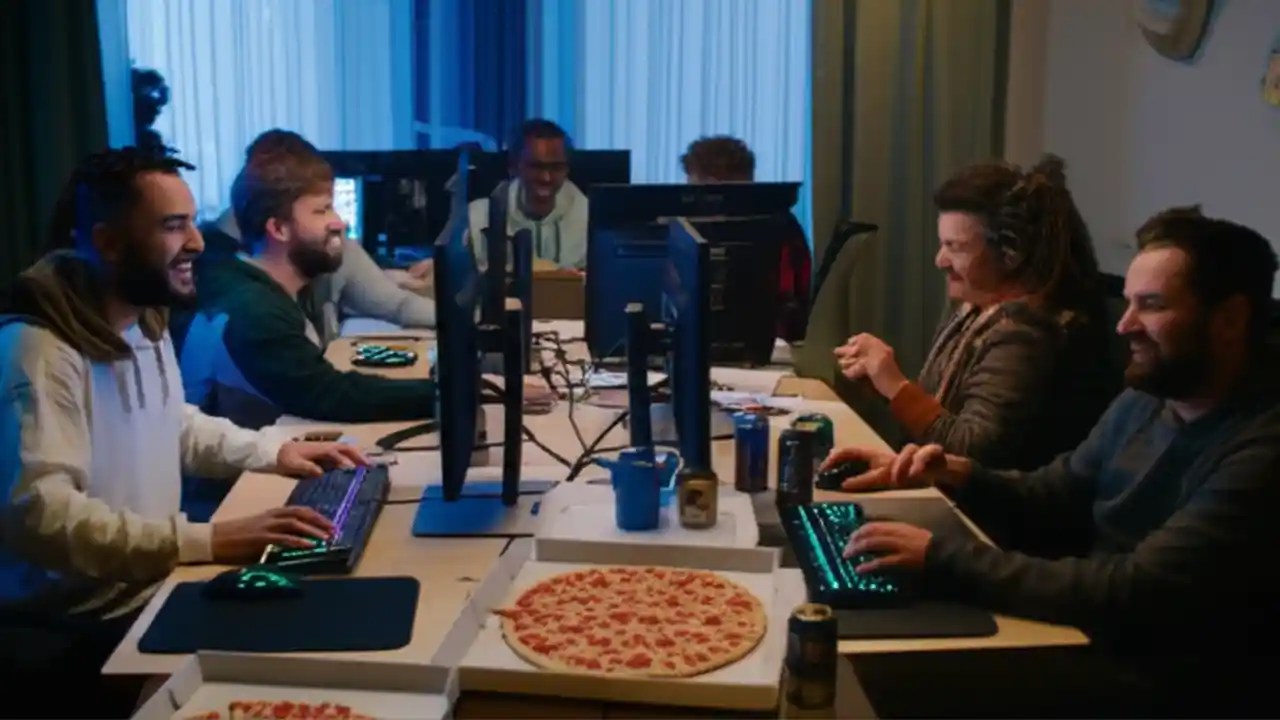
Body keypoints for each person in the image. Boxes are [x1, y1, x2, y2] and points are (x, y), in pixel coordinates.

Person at [824, 208, 1280, 716]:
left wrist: (943, 557)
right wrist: (954, 472)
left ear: (1231, 321)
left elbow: (1135, 589)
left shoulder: (1262, 444)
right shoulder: (1151, 395)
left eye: (1151, 306)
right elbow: (1057, 491)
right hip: (1094, 630)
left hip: (1164, 679)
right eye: (1128, 303)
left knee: (865, 676)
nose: (1125, 325)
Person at [0, 148, 361, 715]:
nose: (197, 241)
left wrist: (274, 451)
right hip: (80, 633)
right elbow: (41, 516)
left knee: (330, 627)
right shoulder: (40, 351)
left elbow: (173, 425)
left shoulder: (139, 320)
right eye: (174, 226)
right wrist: (205, 541)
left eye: (193, 221)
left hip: (151, 589)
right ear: (110, 242)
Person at [833, 155, 1114, 470]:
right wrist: (881, 384)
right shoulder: (976, 310)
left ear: (1011, 253)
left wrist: (895, 386)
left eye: (956, 247)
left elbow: (969, 453)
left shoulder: (1026, 334)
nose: (940, 260)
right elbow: (941, 420)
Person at [179, 138, 436, 429]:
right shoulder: (254, 309)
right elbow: (329, 395)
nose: (339, 223)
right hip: (239, 475)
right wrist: (444, 394)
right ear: (278, 228)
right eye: (321, 210)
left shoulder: (256, 288)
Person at [194, 129, 435, 347]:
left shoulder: (321, 245)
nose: (339, 223)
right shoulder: (241, 295)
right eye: (321, 209)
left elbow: (392, 302)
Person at [410, 118, 588, 275]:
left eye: (556, 167)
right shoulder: (476, 217)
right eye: (536, 167)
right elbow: (443, 270)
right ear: (513, 167)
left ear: (567, 169)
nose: (546, 177)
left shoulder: (592, 220)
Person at [680, 135, 813, 343]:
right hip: (690, 343)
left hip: (769, 348)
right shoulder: (680, 229)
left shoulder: (779, 226)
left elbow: (797, 300)